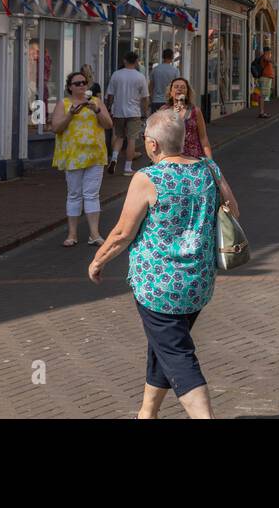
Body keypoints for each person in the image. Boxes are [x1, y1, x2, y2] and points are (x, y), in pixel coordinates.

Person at [89, 110, 240, 419]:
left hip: (158, 288)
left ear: (153, 145)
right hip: (197, 283)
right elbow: (233, 211)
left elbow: (121, 233)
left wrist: (98, 260)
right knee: (167, 345)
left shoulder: (149, 178)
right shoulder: (209, 168)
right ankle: (147, 412)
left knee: (179, 356)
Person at [52, 70, 114, 247]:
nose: (81, 86)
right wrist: (71, 114)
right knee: (74, 195)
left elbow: (108, 124)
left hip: (95, 155)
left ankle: (94, 234)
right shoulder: (63, 104)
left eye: (84, 83)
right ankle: (72, 234)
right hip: (73, 155)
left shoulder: (95, 102)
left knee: (92, 194)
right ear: (70, 87)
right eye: (77, 83)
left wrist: (97, 110)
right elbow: (56, 128)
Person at [107, 53, 150, 175]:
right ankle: (127, 168)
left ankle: (114, 158)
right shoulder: (140, 77)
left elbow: (110, 94)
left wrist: (108, 107)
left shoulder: (116, 74)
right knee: (131, 140)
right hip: (134, 112)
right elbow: (145, 98)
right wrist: (144, 111)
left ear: (124, 60)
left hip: (118, 112)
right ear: (136, 61)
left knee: (119, 137)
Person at [167, 77, 212, 160]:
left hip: (193, 157)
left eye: (183, 87)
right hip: (171, 157)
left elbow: (203, 138)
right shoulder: (164, 111)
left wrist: (210, 160)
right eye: (176, 87)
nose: (179, 89)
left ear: (187, 93)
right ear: (171, 92)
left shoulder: (195, 111)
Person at [149, 49, 180, 114]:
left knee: (156, 123)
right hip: (170, 101)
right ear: (172, 57)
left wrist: (151, 99)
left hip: (156, 101)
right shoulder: (175, 71)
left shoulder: (155, 70)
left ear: (162, 57)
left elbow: (151, 86)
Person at [256, 47, 276, 118]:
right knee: (263, 95)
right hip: (265, 78)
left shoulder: (264, 57)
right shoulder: (265, 57)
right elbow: (270, 60)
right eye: (270, 52)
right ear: (266, 52)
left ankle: (262, 111)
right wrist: (271, 60)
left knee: (263, 95)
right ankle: (261, 112)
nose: (270, 54)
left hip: (266, 78)